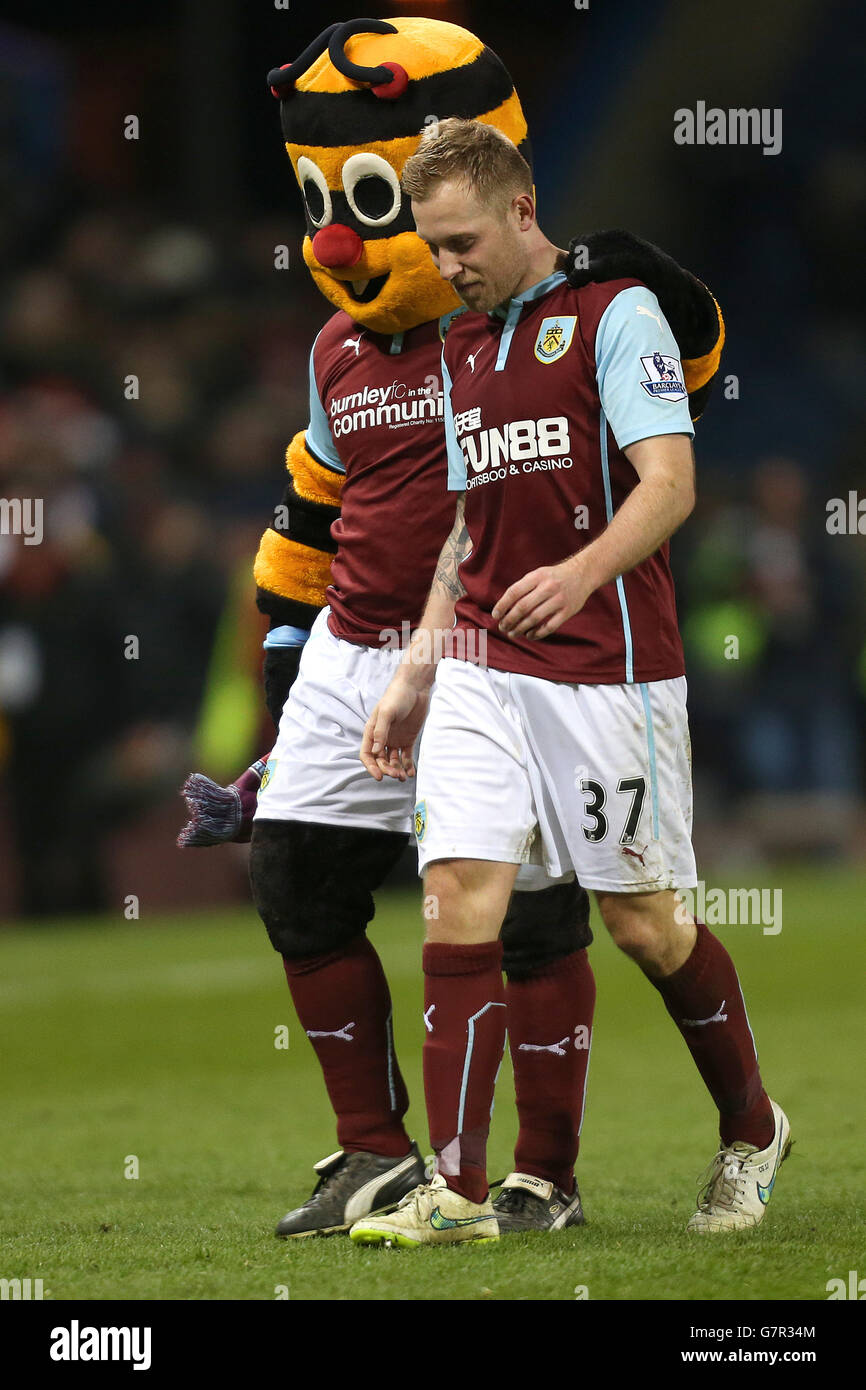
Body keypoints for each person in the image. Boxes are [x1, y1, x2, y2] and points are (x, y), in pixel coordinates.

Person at [179, 17, 726, 1238]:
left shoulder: (524, 318)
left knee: (534, 915)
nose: (353, 239)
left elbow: (666, 391)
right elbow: (308, 506)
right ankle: (374, 1153)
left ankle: (543, 1172)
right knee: (294, 878)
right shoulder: (337, 347)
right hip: (353, 643)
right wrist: (281, 685)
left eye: (443, 231)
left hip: (497, 645)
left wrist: (643, 281)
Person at [353, 117, 790, 1248]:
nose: (445, 266)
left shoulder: (614, 315)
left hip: (609, 674)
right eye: (430, 247)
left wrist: (586, 566)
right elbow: (467, 526)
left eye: (458, 241)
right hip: (486, 665)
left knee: (645, 926)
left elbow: (672, 480)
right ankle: (455, 1192)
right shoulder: (458, 345)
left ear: (521, 211)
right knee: (458, 898)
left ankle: (750, 1127)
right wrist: (414, 668)